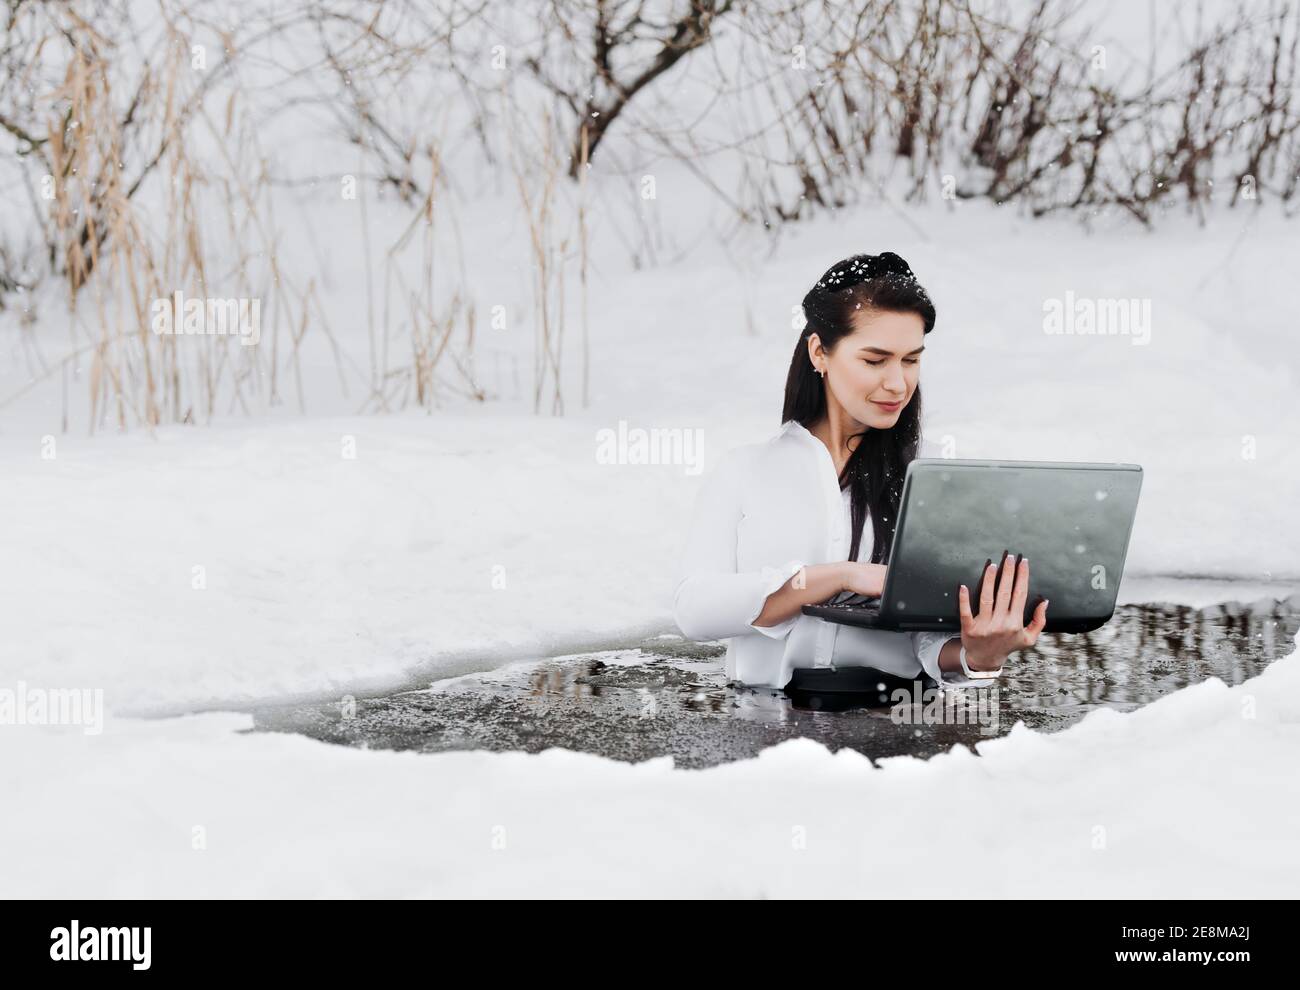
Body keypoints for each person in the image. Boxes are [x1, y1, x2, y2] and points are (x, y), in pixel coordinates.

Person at [671, 251, 1048, 693]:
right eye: (875, 360)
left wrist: (979, 656)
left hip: (891, 729)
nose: (897, 384)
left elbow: (928, 644)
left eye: (911, 360)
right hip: (762, 730)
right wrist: (838, 576)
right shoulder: (746, 470)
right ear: (820, 353)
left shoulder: (930, 477)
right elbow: (694, 610)